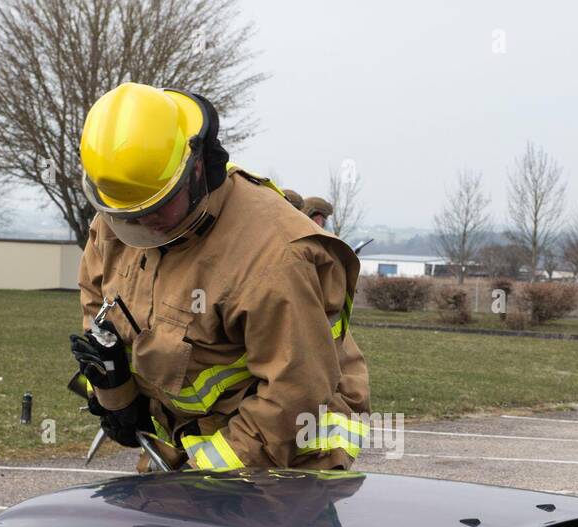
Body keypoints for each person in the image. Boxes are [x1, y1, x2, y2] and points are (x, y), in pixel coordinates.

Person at [70, 83, 369, 471]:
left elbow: (294, 392)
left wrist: (196, 484)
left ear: (198, 170)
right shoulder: (120, 217)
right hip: (184, 444)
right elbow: (100, 310)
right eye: (127, 215)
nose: (142, 225)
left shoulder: (275, 257)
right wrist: (116, 396)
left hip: (289, 458)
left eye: (157, 206)